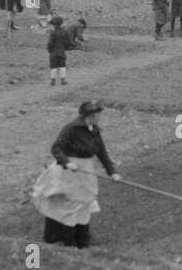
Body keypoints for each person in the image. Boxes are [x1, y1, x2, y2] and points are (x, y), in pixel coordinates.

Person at [36, 101, 121, 248]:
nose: (97, 117)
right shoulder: (71, 129)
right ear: (87, 115)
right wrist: (67, 162)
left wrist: (112, 172)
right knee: (70, 204)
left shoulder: (94, 130)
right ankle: (69, 242)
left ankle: (82, 241)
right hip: (69, 172)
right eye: (95, 114)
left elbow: (102, 153)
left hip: (86, 171)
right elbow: (56, 148)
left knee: (84, 203)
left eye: (98, 114)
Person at [47, 15, 70, 85]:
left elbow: (50, 43)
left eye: (53, 24)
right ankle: (63, 80)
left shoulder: (53, 33)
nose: (52, 25)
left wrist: (49, 50)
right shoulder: (65, 32)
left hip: (53, 52)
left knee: (53, 67)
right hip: (62, 52)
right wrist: (64, 48)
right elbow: (67, 42)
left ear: (55, 25)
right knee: (62, 66)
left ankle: (53, 81)